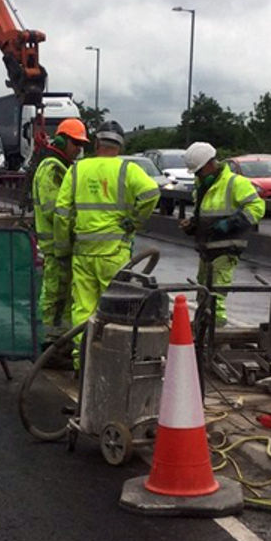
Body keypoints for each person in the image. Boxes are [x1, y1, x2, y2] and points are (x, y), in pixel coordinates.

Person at [54, 120, 161, 365]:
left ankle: (83, 364)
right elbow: (152, 193)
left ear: (96, 143)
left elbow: (61, 213)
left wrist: (63, 248)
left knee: (83, 308)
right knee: (115, 309)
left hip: (83, 252)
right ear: (120, 146)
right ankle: (112, 363)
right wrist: (133, 220)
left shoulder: (78, 169)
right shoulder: (128, 170)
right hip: (114, 254)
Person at [179, 141, 265, 325]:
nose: (197, 175)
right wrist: (192, 225)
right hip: (206, 247)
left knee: (216, 293)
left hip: (226, 247)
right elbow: (202, 215)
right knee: (203, 290)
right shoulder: (201, 187)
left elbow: (257, 208)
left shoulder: (235, 183)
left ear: (210, 164)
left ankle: (214, 333)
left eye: (198, 171)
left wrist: (231, 223)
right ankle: (201, 328)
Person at [31, 118, 89, 339]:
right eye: (76, 144)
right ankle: (47, 343)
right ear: (62, 141)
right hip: (55, 247)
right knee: (54, 297)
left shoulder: (62, 167)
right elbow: (54, 209)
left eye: (81, 145)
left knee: (64, 299)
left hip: (62, 246)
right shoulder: (52, 168)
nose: (79, 150)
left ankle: (61, 341)